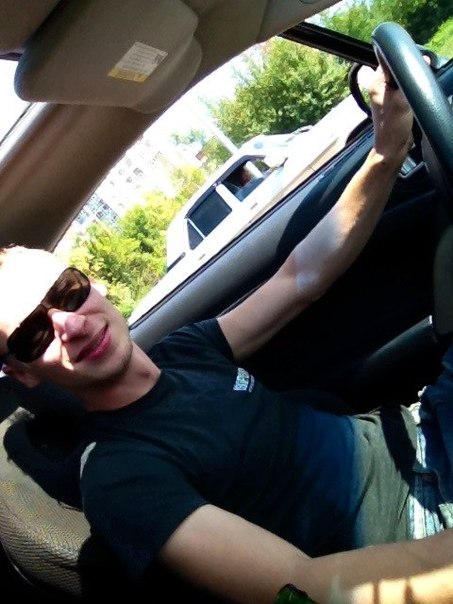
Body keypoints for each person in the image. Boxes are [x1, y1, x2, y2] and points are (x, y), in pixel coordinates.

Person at [1, 64, 452, 604]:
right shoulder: (118, 477)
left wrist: (386, 150)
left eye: (68, 292)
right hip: (417, 529)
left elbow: (301, 277)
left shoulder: (185, 351)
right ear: (24, 375)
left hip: (420, 433)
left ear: (93, 285)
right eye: (34, 335)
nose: (71, 325)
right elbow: (305, 589)